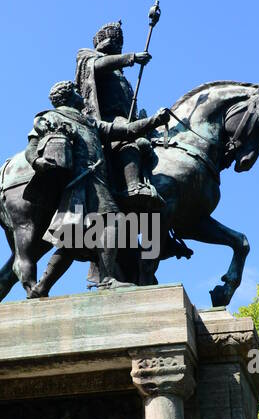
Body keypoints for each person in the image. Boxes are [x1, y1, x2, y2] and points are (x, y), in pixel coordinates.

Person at [24, 80, 168, 293]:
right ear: (69, 95)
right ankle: (107, 278)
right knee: (114, 220)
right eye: (76, 90)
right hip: (80, 180)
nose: (81, 93)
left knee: (71, 242)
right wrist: (37, 162)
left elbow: (126, 131)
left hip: (97, 179)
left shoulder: (89, 122)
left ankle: (41, 288)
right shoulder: (50, 117)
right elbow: (33, 147)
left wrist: (154, 121)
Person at [75, 21, 165, 210]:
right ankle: (131, 188)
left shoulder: (120, 74)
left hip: (125, 117)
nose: (115, 46)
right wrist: (131, 58)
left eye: (118, 42)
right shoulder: (86, 56)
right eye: (112, 41)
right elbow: (98, 65)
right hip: (103, 118)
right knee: (128, 138)